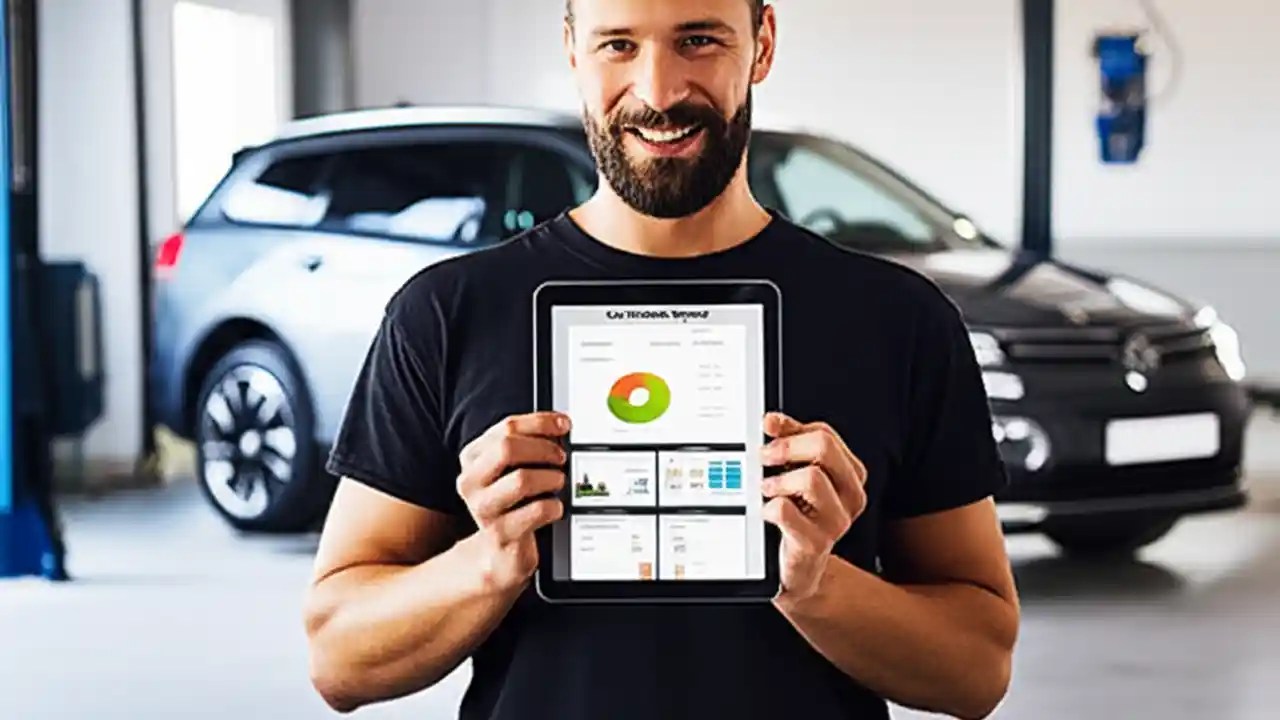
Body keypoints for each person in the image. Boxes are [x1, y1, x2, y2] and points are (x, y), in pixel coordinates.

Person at [303, 0, 1020, 718]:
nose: (659, 91)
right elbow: (339, 660)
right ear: (573, 50)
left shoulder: (898, 320)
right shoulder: (446, 314)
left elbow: (976, 670)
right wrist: (487, 562)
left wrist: (819, 585)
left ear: (762, 44)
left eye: (699, 40)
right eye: (618, 44)